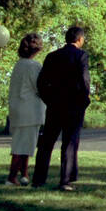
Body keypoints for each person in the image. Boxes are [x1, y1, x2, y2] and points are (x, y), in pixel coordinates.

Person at [32, 25, 92, 191]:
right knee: (70, 143)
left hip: (55, 104)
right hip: (74, 105)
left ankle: (38, 178)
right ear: (79, 39)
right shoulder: (81, 56)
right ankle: (66, 180)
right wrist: (85, 99)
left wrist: (48, 99)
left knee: (47, 142)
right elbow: (84, 80)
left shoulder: (52, 56)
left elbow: (41, 82)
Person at [6, 33, 45, 186]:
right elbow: (40, 86)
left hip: (17, 108)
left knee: (24, 143)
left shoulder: (18, 64)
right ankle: (11, 177)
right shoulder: (34, 66)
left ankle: (24, 174)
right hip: (30, 110)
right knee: (21, 145)